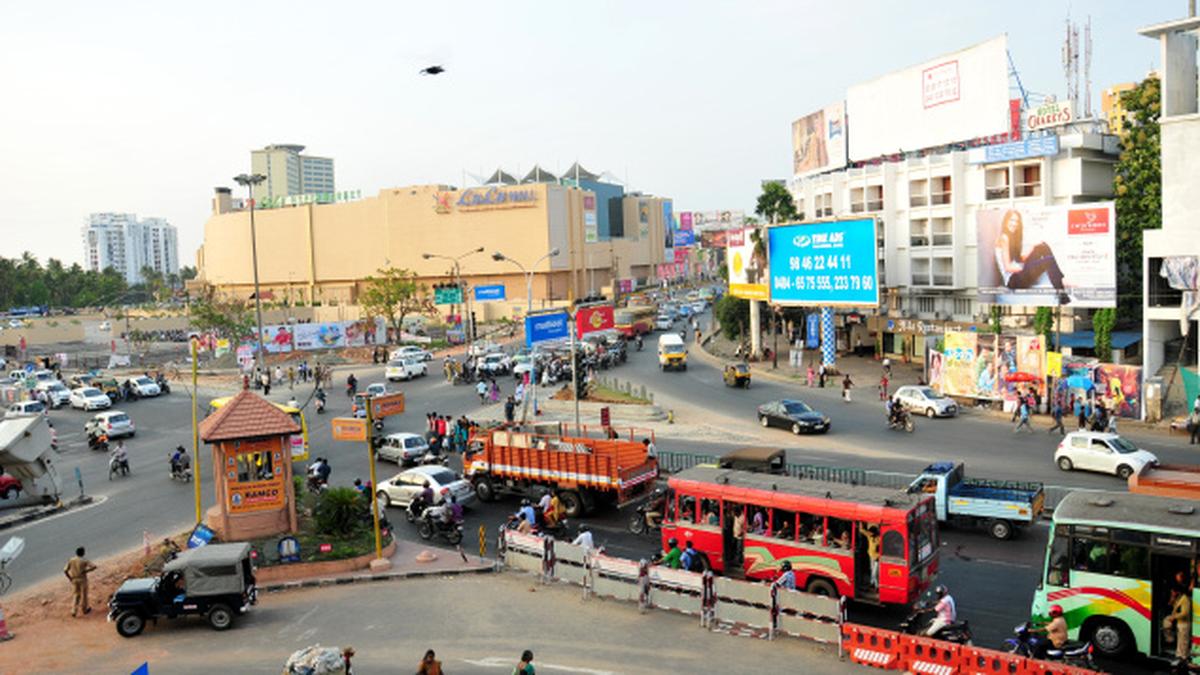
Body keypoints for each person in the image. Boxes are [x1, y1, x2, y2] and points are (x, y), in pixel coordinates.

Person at [994, 209, 1070, 304]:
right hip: (1013, 281)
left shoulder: (1010, 237)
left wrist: (1032, 249)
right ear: (1006, 221)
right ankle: (1062, 294)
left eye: (1017, 221)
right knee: (1048, 260)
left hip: (1018, 275)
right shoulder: (1004, 238)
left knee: (1042, 246)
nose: (1014, 224)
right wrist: (1028, 267)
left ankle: (1060, 281)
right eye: (1011, 220)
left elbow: (1018, 259)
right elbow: (1008, 267)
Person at [64, 546, 97, 617]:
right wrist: (86, 571)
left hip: (74, 579)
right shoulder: (84, 560)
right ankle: (84, 609)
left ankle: (74, 610)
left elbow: (65, 570)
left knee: (76, 595)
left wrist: (70, 578)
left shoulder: (71, 560)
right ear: (83, 553)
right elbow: (94, 566)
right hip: (82, 579)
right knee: (84, 595)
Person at [1165, 584, 1192, 661]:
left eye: (1173, 592)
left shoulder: (1185, 599)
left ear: (1177, 592)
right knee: (1180, 640)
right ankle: (1179, 655)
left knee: (1184, 641)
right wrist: (1172, 599)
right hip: (1180, 623)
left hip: (1184, 624)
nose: (1172, 593)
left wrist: (1174, 617)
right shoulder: (1178, 599)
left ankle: (1183, 657)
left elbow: (1185, 613)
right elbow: (1172, 606)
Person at [858, 523, 881, 589]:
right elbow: (861, 530)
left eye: (871, 532)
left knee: (875, 572)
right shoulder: (870, 536)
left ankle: (876, 586)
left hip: (877, 558)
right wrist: (861, 521)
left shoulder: (879, 538)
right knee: (872, 570)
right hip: (871, 556)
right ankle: (872, 583)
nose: (869, 533)